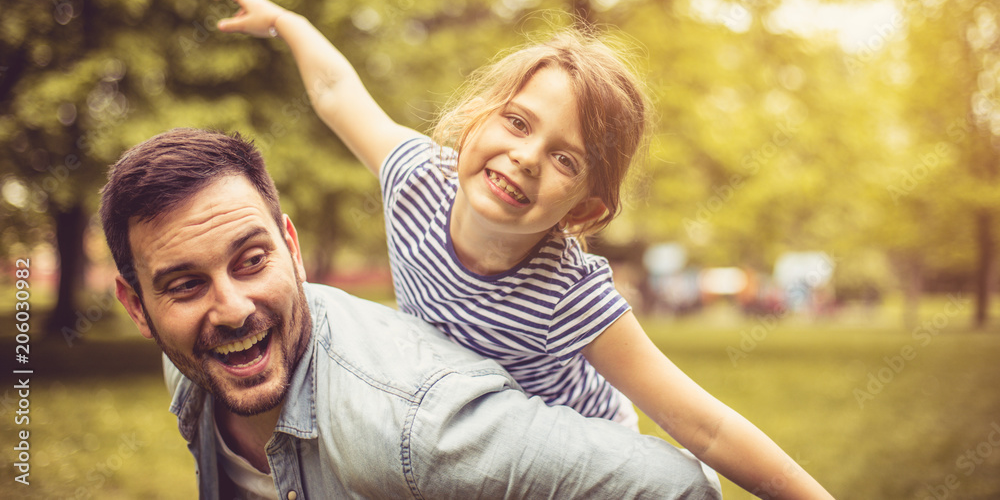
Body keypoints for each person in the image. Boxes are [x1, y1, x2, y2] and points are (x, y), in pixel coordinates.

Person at [211, 0, 835, 499]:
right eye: (517, 122)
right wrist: (284, 21)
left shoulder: (568, 293)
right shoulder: (414, 179)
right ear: (478, 117)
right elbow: (335, 92)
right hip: (452, 419)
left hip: (565, 449)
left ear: (584, 207)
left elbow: (704, 426)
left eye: (565, 158)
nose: (526, 157)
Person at [104, 127, 723, 499]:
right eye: (185, 286)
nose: (232, 310)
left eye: (251, 260)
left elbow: (676, 485)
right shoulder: (190, 366)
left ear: (291, 247)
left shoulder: (415, 424)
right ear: (140, 307)